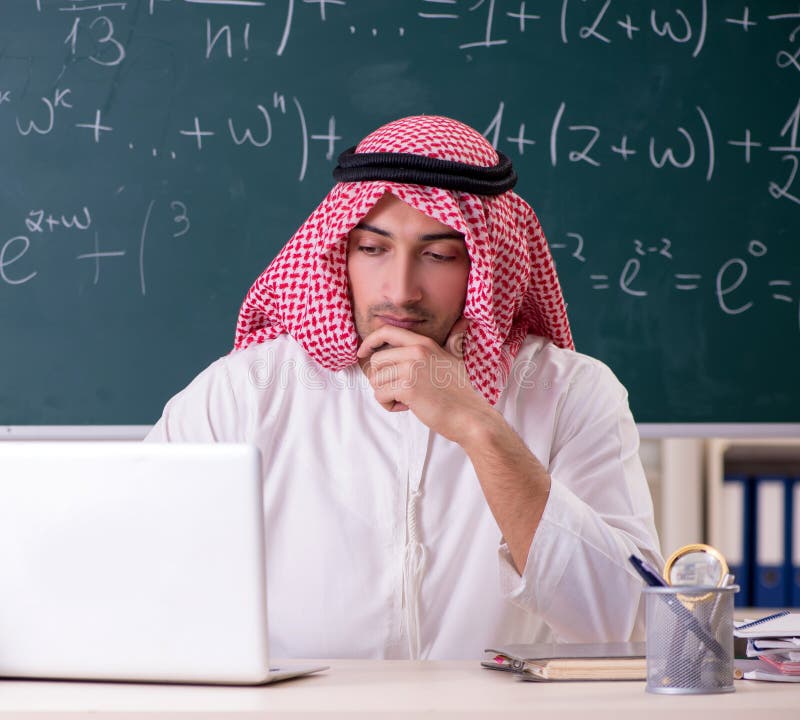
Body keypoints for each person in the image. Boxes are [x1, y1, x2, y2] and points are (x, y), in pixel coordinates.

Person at [146, 115, 662, 660]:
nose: (400, 291)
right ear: (340, 253)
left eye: (438, 255)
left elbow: (630, 625)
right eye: (373, 249)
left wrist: (478, 427)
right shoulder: (246, 392)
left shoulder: (572, 393)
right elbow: (132, 579)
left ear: (485, 265)